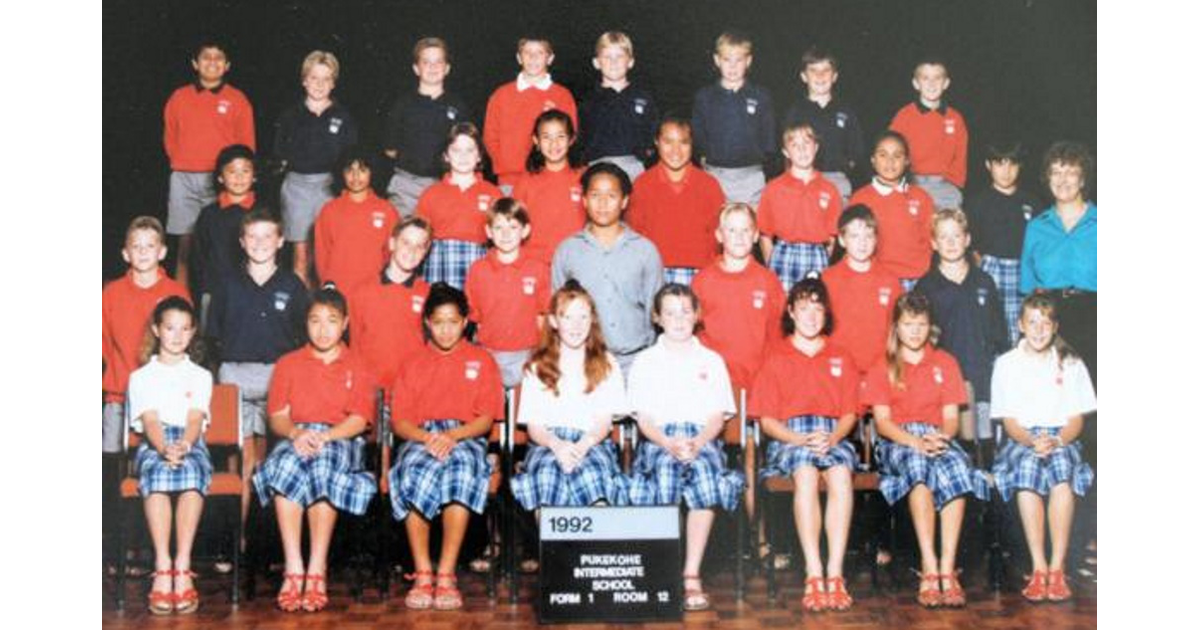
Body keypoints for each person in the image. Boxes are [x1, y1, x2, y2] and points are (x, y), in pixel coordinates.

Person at [252, 288, 377, 613]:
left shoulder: (358, 364)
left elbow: (359, 419)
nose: (323, 329)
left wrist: (327, 437)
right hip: (298, 435)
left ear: (345, 323)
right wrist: (296, 432)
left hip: (341, 439)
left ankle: (316, 568)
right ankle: (294, 566)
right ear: (305, 323)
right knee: (284, 468)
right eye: (315, 321)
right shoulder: (288, 364)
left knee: (323, 469)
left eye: (331, 321)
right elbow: (278, 415)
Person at [862, 293, 989, 608]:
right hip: (899, 440)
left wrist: (940, 438)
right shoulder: (884, 365)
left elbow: (950, 420)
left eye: (921, 324)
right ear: (896, 327)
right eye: (908, 324)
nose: (915, 331)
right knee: (919, 471)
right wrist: (916, 442)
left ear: (930, 326)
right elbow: (883, 423)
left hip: (937, 436)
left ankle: (948, 567)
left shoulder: (945, 362)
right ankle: (929, 566)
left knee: (957, 469)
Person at [389, 283, 505, 610]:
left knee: (461, 473)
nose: (445, 329)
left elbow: (485, 419)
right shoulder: (412, 362)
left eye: (453, 321)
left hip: (465, 436)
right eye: (438, 321)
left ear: (465, 321)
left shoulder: (482, 360)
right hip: (421, 437)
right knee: (411, 472)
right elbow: (400, 422)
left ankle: (446, 573)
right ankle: (423, 570)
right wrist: (428, 438)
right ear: (427, 322)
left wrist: (452, 437)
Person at [627, 284, 742, 611]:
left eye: (685, 312)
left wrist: (697, 442)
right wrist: (668, 443)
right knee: (664, 473)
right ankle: (663, 570)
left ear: (697, 315)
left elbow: (717, 417)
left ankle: (691, 573)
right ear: (657, 318)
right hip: (659, 439)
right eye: (670, 313)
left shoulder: (712, 360)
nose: (679, 320)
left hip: (701, 438)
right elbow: (644, 419)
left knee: (705, 474)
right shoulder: (645, 361)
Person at [750, 278, 859, 612]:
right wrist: (798, 439)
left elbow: (850, 413)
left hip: (831, 435)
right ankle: (814, 572)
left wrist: (834, 437)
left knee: (840, 473)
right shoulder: (776, 356)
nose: (811, 315)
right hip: (791, 437)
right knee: (807, 473)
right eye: (803, 308)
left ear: (825, 313)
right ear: (791, 313)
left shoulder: (841, 355)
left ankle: (835, 574)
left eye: (817, 308)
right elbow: (767, 421)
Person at [207, 208, 310, 548]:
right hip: (235, 375)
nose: (261, 243)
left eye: (268, 236)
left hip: (276, 379)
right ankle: (237, 542)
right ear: (242, 241)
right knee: (243, 463)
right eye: (253, 236)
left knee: (270, 461)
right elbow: (214, 337)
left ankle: (269, 543)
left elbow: (302, 340)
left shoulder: (292, 286)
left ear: (281, 241)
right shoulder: (225, 284)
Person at [990, 294, 1095, 602]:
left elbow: (1076, 418)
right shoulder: (1006, 364)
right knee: (1027, 469)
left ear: (1055, 327)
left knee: (1062, 471)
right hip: (1022, 438)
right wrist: (1030, 441)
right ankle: (1038, 568)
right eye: (1032, 322)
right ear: (1021, 325)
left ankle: (1056, 568)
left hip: (1061, 436)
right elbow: (1008, 420)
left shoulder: (1071, 362)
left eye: (1045, 323)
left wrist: (1058, 440)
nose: (1038, 330)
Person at [127, 297, 213, 615]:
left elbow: (194, 419)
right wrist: (164, 448)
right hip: (156, 440)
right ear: (157, 330)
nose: (177, 335)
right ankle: (163, 565)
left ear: (192, 334)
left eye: (184, 329)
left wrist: (185, 447)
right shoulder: (142, 377)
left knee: (193, 474)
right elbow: (149, 420)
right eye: (170, 327)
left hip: (190, 441)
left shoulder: (201, 375)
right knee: (157, 475)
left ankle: (182, 565)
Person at [510, 283, 631, 510]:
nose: (576, 325)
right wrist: (558, 446)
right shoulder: (537, 366)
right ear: (554, 322)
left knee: (593, 474)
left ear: (592, 320)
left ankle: (596, 545)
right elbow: (535, 426)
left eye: (583, 317)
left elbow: (604, 422)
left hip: (592, 442)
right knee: (546, 476)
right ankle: (549, 546)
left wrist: (582, 447)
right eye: (567, 317)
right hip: (548, 443)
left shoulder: (607, 364)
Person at [551, 162, 663, 374]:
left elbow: (655, 312)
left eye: (611, 196)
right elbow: (558, 309)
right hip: (584, 362)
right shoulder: (567, 250)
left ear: (624, 201)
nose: (602, 203)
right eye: (595, 195)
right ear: (584, 200)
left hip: (635, 362)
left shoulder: (645, 251)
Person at [163, 40, 256, 289]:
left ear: (227, 65)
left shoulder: (237, 99)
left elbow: (246, 146)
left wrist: (227, 175)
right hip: (184, 178)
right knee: (185, 246)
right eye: (206, 57)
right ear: (195, 63)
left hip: (221, 181)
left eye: (218, 58)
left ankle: (223, 303)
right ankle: (182, 306)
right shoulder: (179, 97)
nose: (212, 62)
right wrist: (184, 161)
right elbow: (170, 138)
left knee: (224, 244)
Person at [913, 208, 1007, 445]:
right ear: (934, 243)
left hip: (982, 376)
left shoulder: (984, 281)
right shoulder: (926, 287)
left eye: (956, 236)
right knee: (956, 441)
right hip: (945, 380)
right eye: (943, 237)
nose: (951, 243)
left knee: (984, 440)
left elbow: (1000, 333)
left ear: (967, 239)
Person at [103, 217, 191, 454]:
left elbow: (186, 344)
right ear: (125, 253)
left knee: (161, 461)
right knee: (112, 462)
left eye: (150, 246)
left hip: (165, 398)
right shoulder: (111, 294)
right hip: (120, 394)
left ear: (162, 251)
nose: (142, 252)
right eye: (136, 246)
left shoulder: (176, 292)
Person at [275, 50, 359, 285]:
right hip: (298, 187)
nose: (319, 84)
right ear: (304, 80)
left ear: (333, 83)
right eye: (314, 77)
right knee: (300, 258)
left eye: (326, 79)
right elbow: (280, 154)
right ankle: (303, 315)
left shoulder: (343, 117)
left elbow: (351, 160)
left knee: (328, 255)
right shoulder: (290, 116)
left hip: (330, 188)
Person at [1019, 141, 1096, 384]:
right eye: (1056, 172)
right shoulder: (1036, 227)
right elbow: (1028, 287)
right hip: (1050, 318)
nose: (1063, 180)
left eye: (1071, 172)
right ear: (1047, 179)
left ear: (1083, 180)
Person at [692, 202, 786, 395]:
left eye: (745, 230)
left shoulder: (768, 281)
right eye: (732, 230)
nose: (739, 237)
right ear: (719, 235)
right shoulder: (703, 280)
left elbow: (777, 333)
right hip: (714, 380)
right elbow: (695, 334)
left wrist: (772, 374)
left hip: (758, 379)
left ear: (756, 235)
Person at [627, 117, 725, 285]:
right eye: (668, 142)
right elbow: (635, 235)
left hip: (700, 273)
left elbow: (717, 238)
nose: (676, 151)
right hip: (655, 272)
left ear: (693, 144)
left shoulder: (709, 185)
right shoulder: (642, 184)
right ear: (656, 142)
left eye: (684, 143)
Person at [465, 198, 551, 387]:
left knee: (522, 412)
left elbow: (543, 316)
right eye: (498, 227)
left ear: (525, 230)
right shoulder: (478, 270)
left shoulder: (538, 269)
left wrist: (541, 352)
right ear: (488, 231)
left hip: (527, 353)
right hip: (489, 352)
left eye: (513, 227)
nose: (505, 234)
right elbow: (475, 317)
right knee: (493, 411)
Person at [963, 141, 1044, 344]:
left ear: (1020, 166)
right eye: (999, 164)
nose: (1006, 171)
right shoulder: (976, 203)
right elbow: (971, 248)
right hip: (991, 272)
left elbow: (1040, 249)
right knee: (989, 329)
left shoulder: (1033, 203)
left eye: (1012, 164)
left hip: (1023, 274)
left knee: (1024, 332)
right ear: (988, 165)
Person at [384, 38, 472, 217]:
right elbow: (390, 149)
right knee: (402, 235)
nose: (433, 67)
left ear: (447, 68)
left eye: (438, 61)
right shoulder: (402, 104)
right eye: (426, 62)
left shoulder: (458, 106)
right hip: (406, 184)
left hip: (444, 183)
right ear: (416, 68)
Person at [349, 217, 434, 392]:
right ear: (392, 243)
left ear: (426, 251)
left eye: (419, 246)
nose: (412, 251)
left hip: (410, 390)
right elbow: (354, 345)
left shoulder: (427, 294)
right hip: (370, 391)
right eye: (406, 243)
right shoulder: (362, 291)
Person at [692, 31, 776, 206]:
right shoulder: (705, 97)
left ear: (748, 61)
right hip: (715, 175)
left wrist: (766, 172)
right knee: (716, 228)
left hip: (752, 176)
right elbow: (698, 136)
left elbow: (769, 138)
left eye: (739, 60)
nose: (733, 66)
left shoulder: (761, 96)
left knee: (751, 228)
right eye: (726, 59)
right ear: (717, 60)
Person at [484, 36, 578, 192]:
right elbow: (490, 137)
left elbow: (571, 135)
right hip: (510, 180)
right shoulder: (501, 95)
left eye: (540, 53)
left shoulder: (562, 95)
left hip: (550, 177)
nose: (533, 58)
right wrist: (506, 165)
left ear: (550, 58)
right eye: (527, 52)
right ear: (519, 58)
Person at [416, 122, 504, 289]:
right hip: (438, 263)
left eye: (470, 150)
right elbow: (420, 237)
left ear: (479, 156)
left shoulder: (493, 194)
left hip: (479, 261)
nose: (463, 157)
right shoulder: (431, 194)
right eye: (456, 150)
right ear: (446, 156)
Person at [822, 205, 904, 381]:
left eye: (868, 236)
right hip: (838, 372)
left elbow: (896, 330)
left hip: (878, 372)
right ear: (842, 240)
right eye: (854, 236)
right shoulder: (828, 279)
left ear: (876, 240)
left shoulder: (890, 281)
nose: (862, 242)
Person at [758, 122, 843, 290]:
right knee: (783, 309)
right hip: (784, 253)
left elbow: (832, 237)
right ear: (785, 152)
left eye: (807, 144)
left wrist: (823, 260)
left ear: (816, 147)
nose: (802, 150)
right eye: (795, 145)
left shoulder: (829, 189)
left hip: (817, 255)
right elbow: (765, 234)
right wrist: (772, 263)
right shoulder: (774, 188)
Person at [848, 131, 935, 290]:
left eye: (897, 156)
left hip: (916, 279)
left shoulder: (921, 198)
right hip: (877, 279)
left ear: (907, 161)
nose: (890, 161)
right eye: (883, 155)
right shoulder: (860, 198)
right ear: (873, 160)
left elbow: (931, 240)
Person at [313, 148, 399, 297]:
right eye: (349, 170)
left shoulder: (387, 210)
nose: (355, 176)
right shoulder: (330, 210)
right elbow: (322, 252)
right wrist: (327, 283)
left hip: (373, 289)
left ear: (372, 172)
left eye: (362, 170)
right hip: (339, 287)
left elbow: (391, 253)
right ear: (342, 173)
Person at [782, 46, 864, 203]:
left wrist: (843, 168)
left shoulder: (846, 112)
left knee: (837, 226)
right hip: (803, 178)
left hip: (837, 180)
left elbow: (856, 151)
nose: (820, 75)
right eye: (813, 70)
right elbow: (786, 153)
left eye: (826, 70)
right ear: (803, 76)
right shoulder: (795, 112)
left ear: (835, 76)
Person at [190, 144, 257, 332]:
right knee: (211, 347)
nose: (239, 177)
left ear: (254, 175)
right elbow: (197, 258)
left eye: (245, 171)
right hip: (214, 293)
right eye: (232, 171)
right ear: (220, 177)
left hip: (252, 294)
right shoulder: (209, 215)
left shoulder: (263, 213)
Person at [889, 57, 968, 211]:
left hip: (944, 186)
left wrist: (954, 184)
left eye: (937, 78)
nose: (932, 84)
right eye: (925, 78)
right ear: (916, 84)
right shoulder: (904, 116)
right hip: (912, 183)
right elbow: (892, 151)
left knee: (948, 229)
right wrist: (901, 182)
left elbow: (961, 156)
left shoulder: (955, 118)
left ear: (946, 83)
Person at [578, 31, 659, 181]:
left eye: (619, 56)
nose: (613, 62)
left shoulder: (643, 98)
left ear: (630, 62)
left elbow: (653, 134)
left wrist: (645, 157)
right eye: (607, 57)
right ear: (596, 62)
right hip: (598, 166)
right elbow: (581, 137)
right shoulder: (588, 100)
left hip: (635, 167)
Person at [511, 109, 586, 262]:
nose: (554, 144)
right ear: (536, 141)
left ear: (571, 139)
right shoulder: (526, 181)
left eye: (560, 136)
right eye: (546, 137)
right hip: (536, 262)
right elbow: (515, 224)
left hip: (576, 260)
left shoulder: (585, 177)